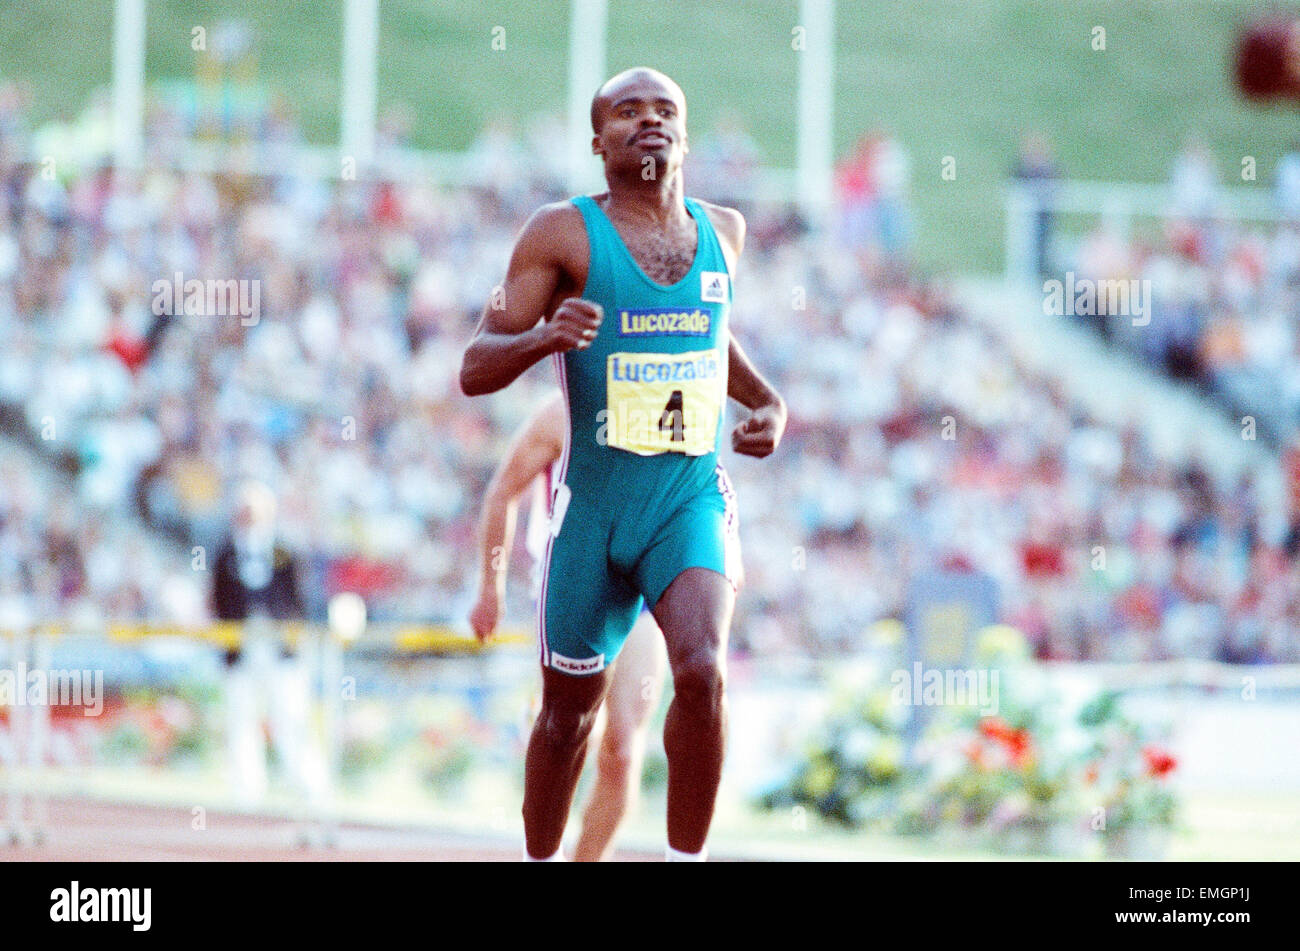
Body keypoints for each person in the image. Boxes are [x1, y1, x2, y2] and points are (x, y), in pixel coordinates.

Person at [460, 67, 786, 862]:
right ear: (598, 139)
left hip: (685, 499)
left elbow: (709, 333)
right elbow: (474, 365)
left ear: (685, 132)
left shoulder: (724, 233)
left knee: (703, 669)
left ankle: (685, 857)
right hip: (593, 512)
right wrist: (543, 337)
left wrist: (769, 402)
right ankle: (541, 856)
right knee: (568, 716)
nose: (649, 121)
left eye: (665, 110)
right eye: (628, 111)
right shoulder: (561, 234)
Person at [469, 391, 667, 861]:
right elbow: (502, 492)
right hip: (569, 582)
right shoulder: (559, 414)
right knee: (573, 729)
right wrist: (489, 587)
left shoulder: (663, 404)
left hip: (638, 588)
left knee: (622, 746)